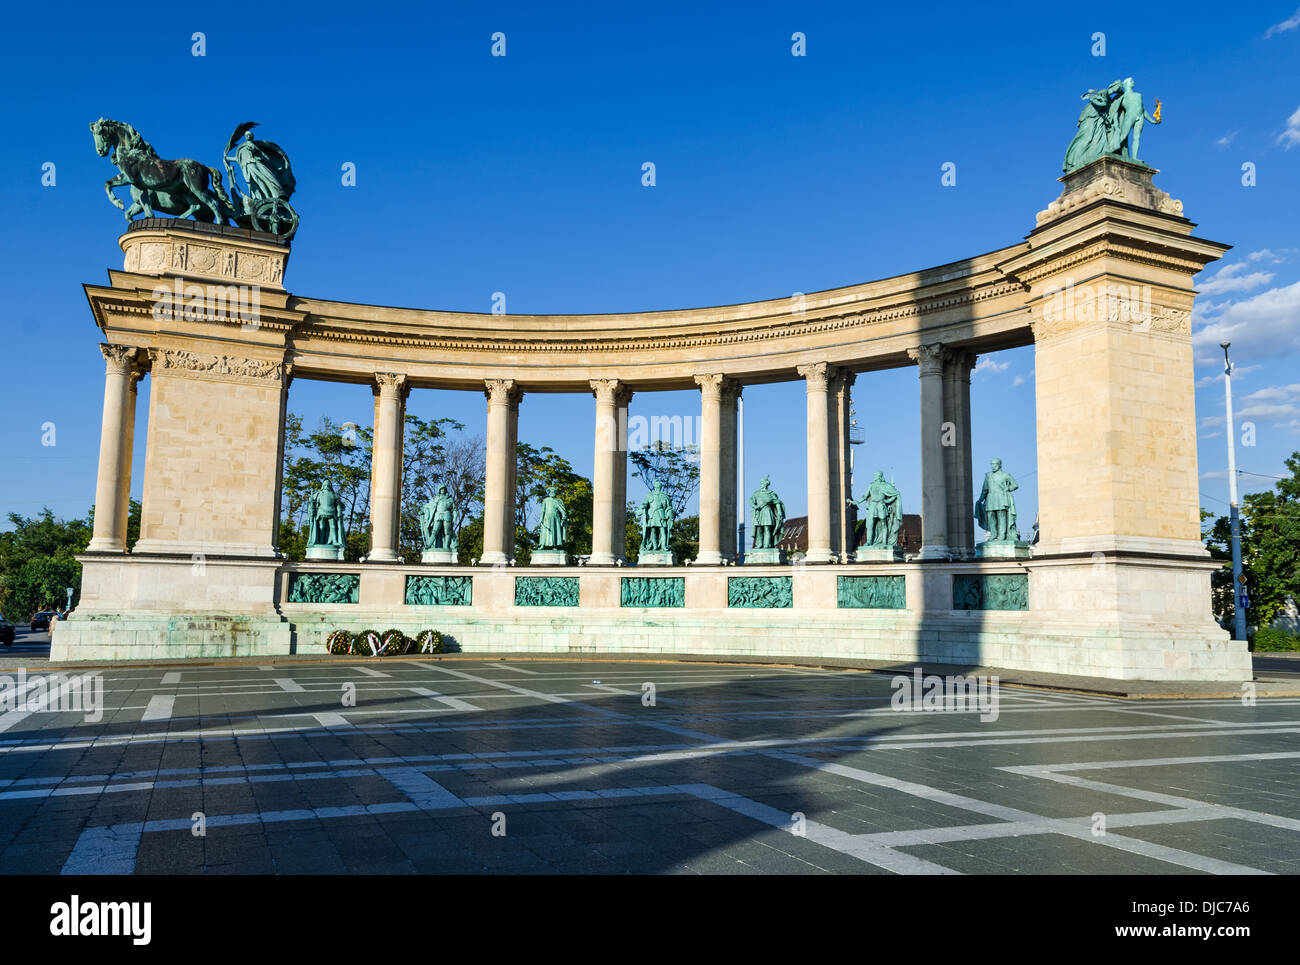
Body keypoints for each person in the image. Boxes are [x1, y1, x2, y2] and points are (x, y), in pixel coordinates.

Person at [975, 458, 1019, 542]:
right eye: (991, 464)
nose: (992, 466)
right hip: (990, 498)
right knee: (990, 516)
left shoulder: (1005, 475)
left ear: (999, 465)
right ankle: (994, 534)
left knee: (1001, 516)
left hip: (1001, 498)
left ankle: (1002, 535)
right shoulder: (988, 476)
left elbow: (1015, 485)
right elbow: (985, 489)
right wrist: (981, 499)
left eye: (994, 464)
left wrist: (1008, 488)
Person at [640, 480, 674, 552]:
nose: (657, 487)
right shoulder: (649, 495)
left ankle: (664, 546)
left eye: (659, 486)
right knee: (653, 531)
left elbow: (669, 506)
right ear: (655, 487)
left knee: (663, 531)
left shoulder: (665, 496)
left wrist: (670, 514)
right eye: (656, 486)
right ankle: (655, 546)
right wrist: (643, 507)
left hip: (661, 514)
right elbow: (645, 504)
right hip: (652, 514)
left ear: (660, 487)